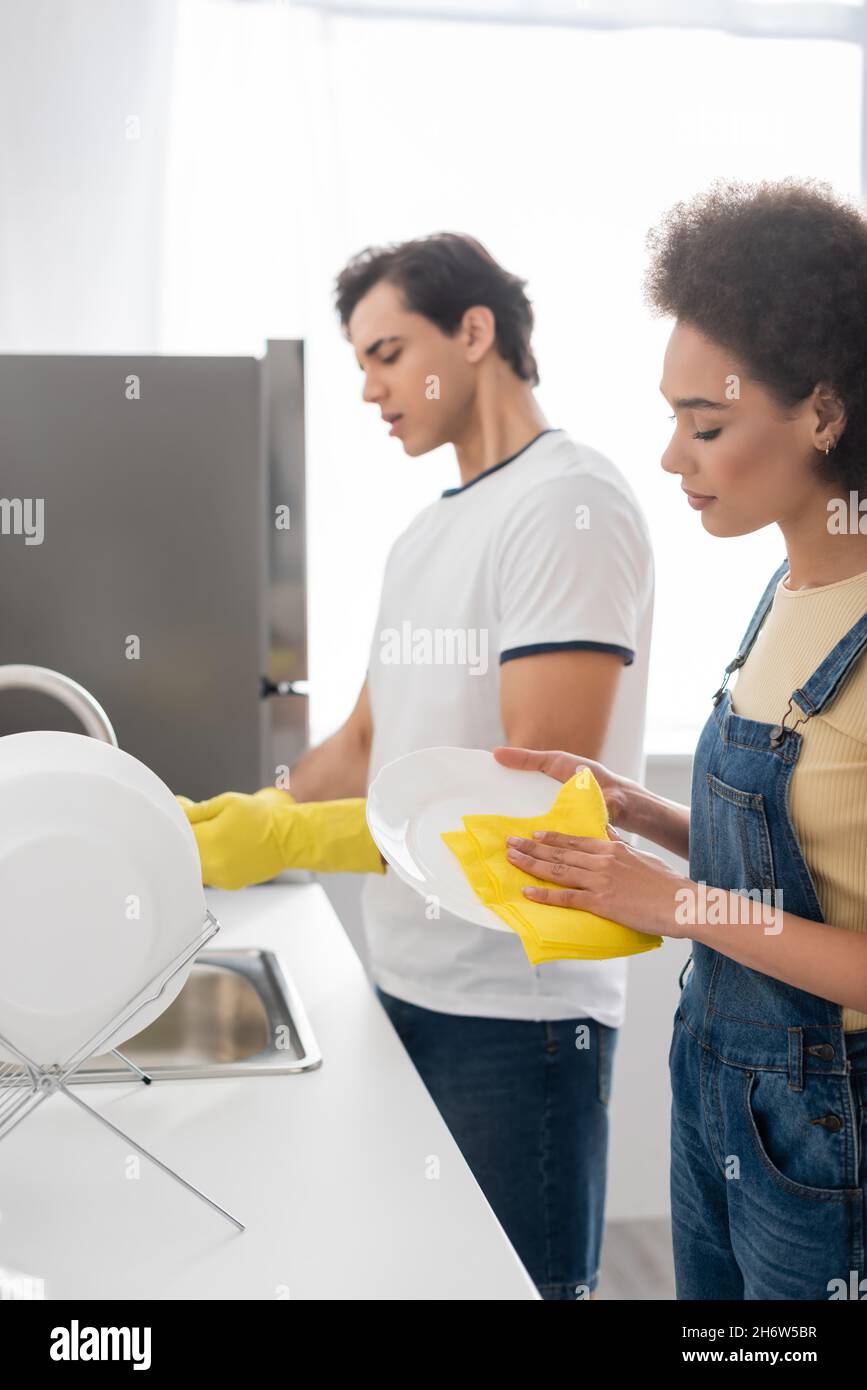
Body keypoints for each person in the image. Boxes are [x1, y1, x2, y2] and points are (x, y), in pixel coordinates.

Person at [187, 233, 656, 1299]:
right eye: (360, 362)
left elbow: (534, 790)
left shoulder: (566, 505)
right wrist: (237, 815)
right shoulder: (422, 536)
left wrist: (293, 838)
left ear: (476, 333)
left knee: (516, 1288)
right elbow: (365, 744)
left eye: (388, 352)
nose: (368, 388)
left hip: (520, 1013)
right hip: (403, 981)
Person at [494, 177, 867, 1300]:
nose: (671, 457)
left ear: (822, 414)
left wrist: (665, 903)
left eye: (705, 425)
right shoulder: (786, 591)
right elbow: (809, 867)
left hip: (828, 1113)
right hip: (719, 1081)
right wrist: (642, 814)